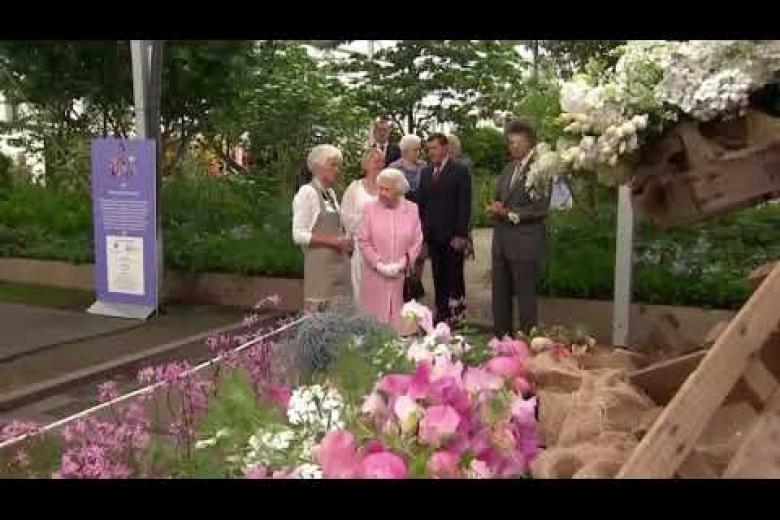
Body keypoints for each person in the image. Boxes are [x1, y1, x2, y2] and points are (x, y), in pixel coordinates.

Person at [486, 120, 551, 337]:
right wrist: (495, 207)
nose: (511, 146)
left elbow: (540, 209)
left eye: (515, 142)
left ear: (529, 143)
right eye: (509, 142)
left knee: (525, 297)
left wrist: (509, 214)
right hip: (501, 242)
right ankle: (502, 341)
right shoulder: (508, 168)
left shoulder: (541, 170)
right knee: (500, 295)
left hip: (525, 242)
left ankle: (527, 342)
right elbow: (500, 198)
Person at [358, 168, 424, 331]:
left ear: (399, 191)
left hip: (400, 277)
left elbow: (417, 241)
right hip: (375, 277)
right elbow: (364, 240)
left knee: (401, 327)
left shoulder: (412, 209)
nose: (381, 193)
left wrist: (402, 264)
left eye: (386, 189)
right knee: (375, 328)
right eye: (380, 188)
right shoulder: (369, 208)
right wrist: (379, 265)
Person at [417, 133, 472, 325]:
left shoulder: (460, 171)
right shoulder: (425, 173)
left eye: (434, 148)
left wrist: (461, 234)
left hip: (453, 236)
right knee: (438, 276)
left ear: (445, 147)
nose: (431, 152)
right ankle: (441, 314)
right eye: (429, 149)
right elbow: (422, 206)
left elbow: (464, 205)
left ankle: (457, 315)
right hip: (433, 236)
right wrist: (422, 237)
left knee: (454, 276)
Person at [292, 144, 352, 313]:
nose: (337, 170)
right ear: (317, 166)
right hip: (320, 269)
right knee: (319, 318)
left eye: (338, 165)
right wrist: (333, 241)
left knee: (340, 316)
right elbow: (298, 234)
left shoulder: (331, 194)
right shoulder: (307, 192)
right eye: (333, 165)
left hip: (339, 266)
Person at [340, 147, 383, 307]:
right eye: (376, 161)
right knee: (361, 290)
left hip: (384, 248)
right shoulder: (355, 188)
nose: (379, 165)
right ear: (365, 164)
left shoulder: (389, 187)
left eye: (382, 161)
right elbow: (345, 216)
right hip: (361, 247)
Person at [388, 134, 425, 204]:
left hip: (421, 206)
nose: (418, 153)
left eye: (419, 149)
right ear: (405, 151)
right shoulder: (394, 168)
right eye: (415, 150)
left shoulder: (423, 166)